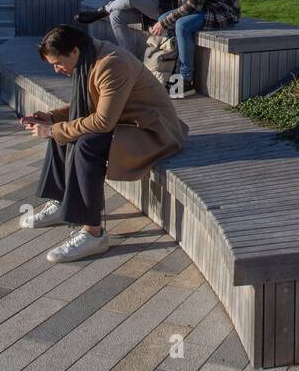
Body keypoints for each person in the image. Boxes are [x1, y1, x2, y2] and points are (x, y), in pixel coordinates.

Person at [19, 24, 189, 262]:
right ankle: (61, 202)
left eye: (58, 63)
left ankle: (93, 234)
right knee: (62, 132)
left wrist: (53, 129)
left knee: (87, 143)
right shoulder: (89, 59)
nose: (57, 70)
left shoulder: (111, 63)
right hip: (127, 123)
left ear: (74, 51)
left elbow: (102, 121)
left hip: (153, 131)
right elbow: (89, 107)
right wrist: (52, 118)